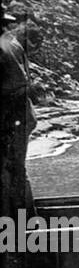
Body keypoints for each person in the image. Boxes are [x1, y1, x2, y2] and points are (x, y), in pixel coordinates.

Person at [1, 12, 38, 217]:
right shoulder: (10, 42)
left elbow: (18, 83)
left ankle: (25, 223)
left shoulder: (4, 47)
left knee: (13, 170)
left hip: (14, 118)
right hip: (17, 116)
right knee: (13, 169)